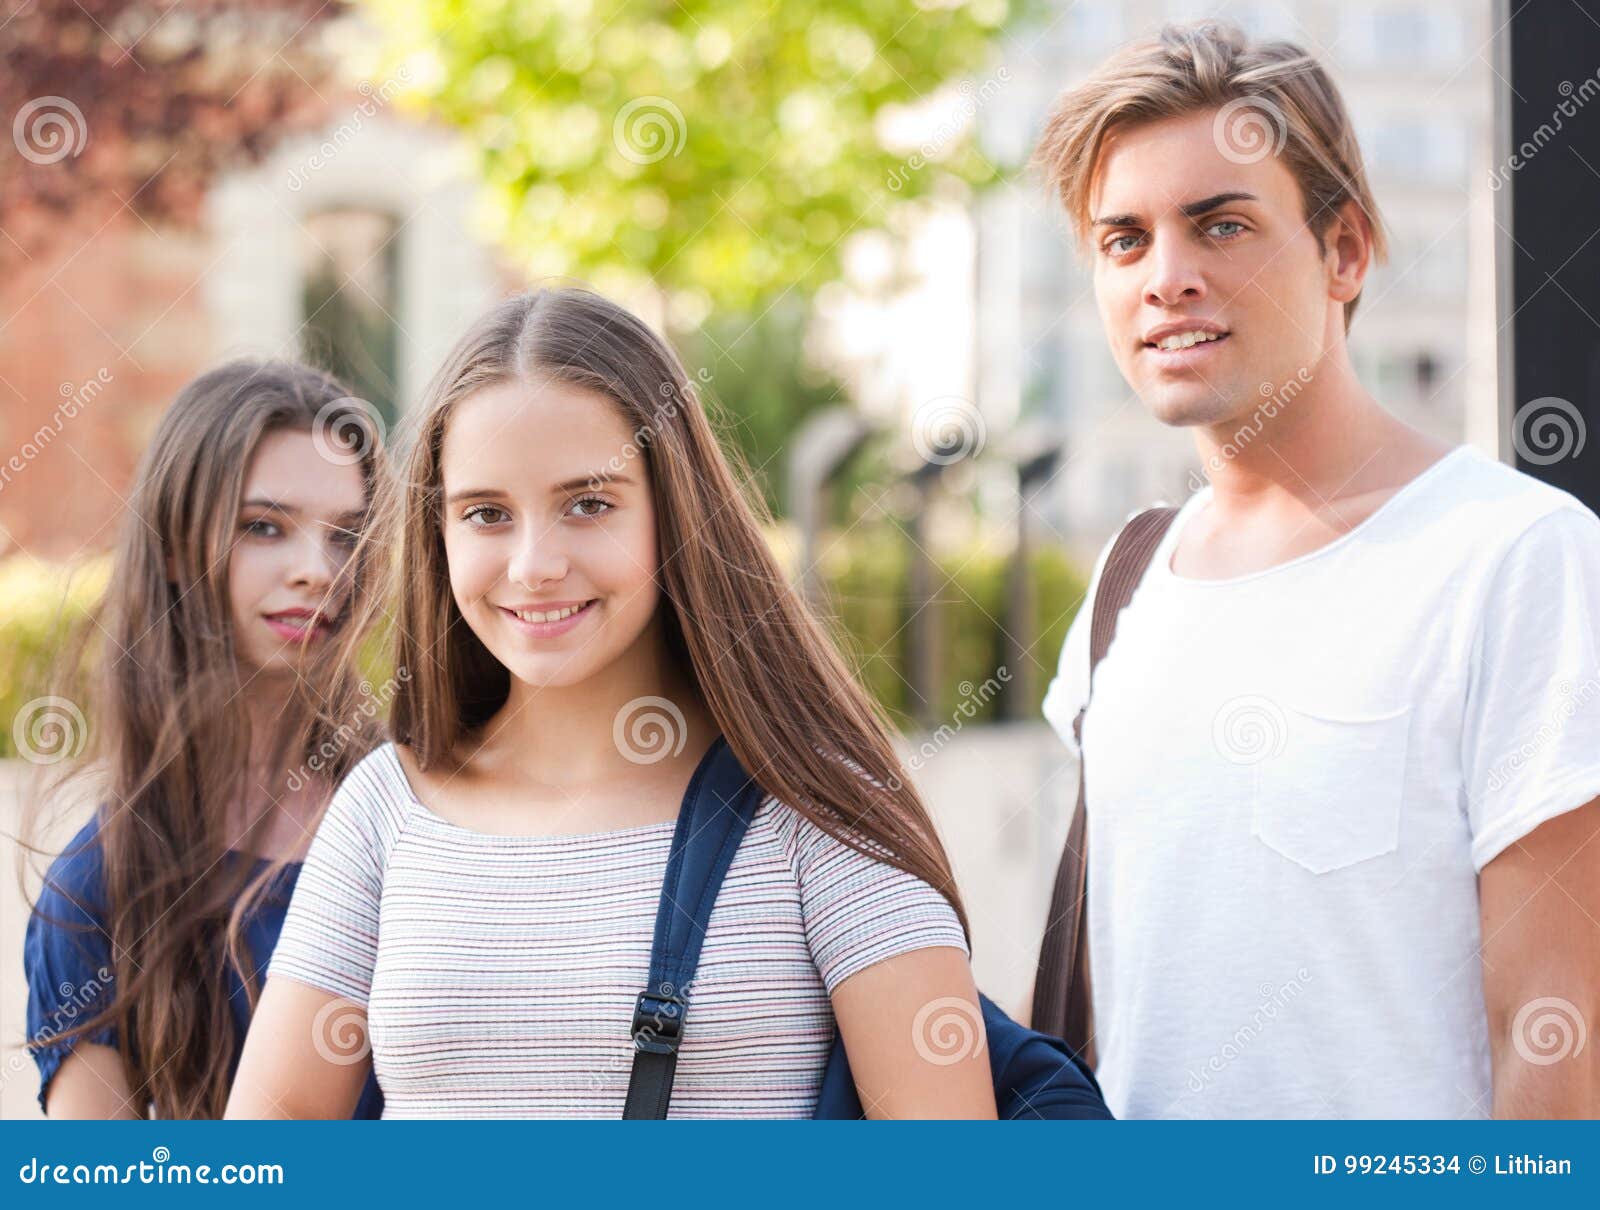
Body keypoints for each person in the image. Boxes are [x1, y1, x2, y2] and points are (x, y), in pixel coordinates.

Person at [226, 288, 996, 1119]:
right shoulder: (385, 807)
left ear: (675, 513)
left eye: (587, 504)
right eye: (486, 514)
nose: (533, 565)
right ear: (438, 532)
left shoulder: (818, 807)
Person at [1033, 21, 1600, 1118]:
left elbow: (1559, 1045)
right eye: (1123, 240)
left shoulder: (1517, 559)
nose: (1167, 279)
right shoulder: (1128, 579)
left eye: (1221, 224)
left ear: (1343, 251)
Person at [22, 360, 386, 1119]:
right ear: (179, 546)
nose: (317, 571)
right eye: (263, 527)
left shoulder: (428, 803)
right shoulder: (99, 889)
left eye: (347, 536)